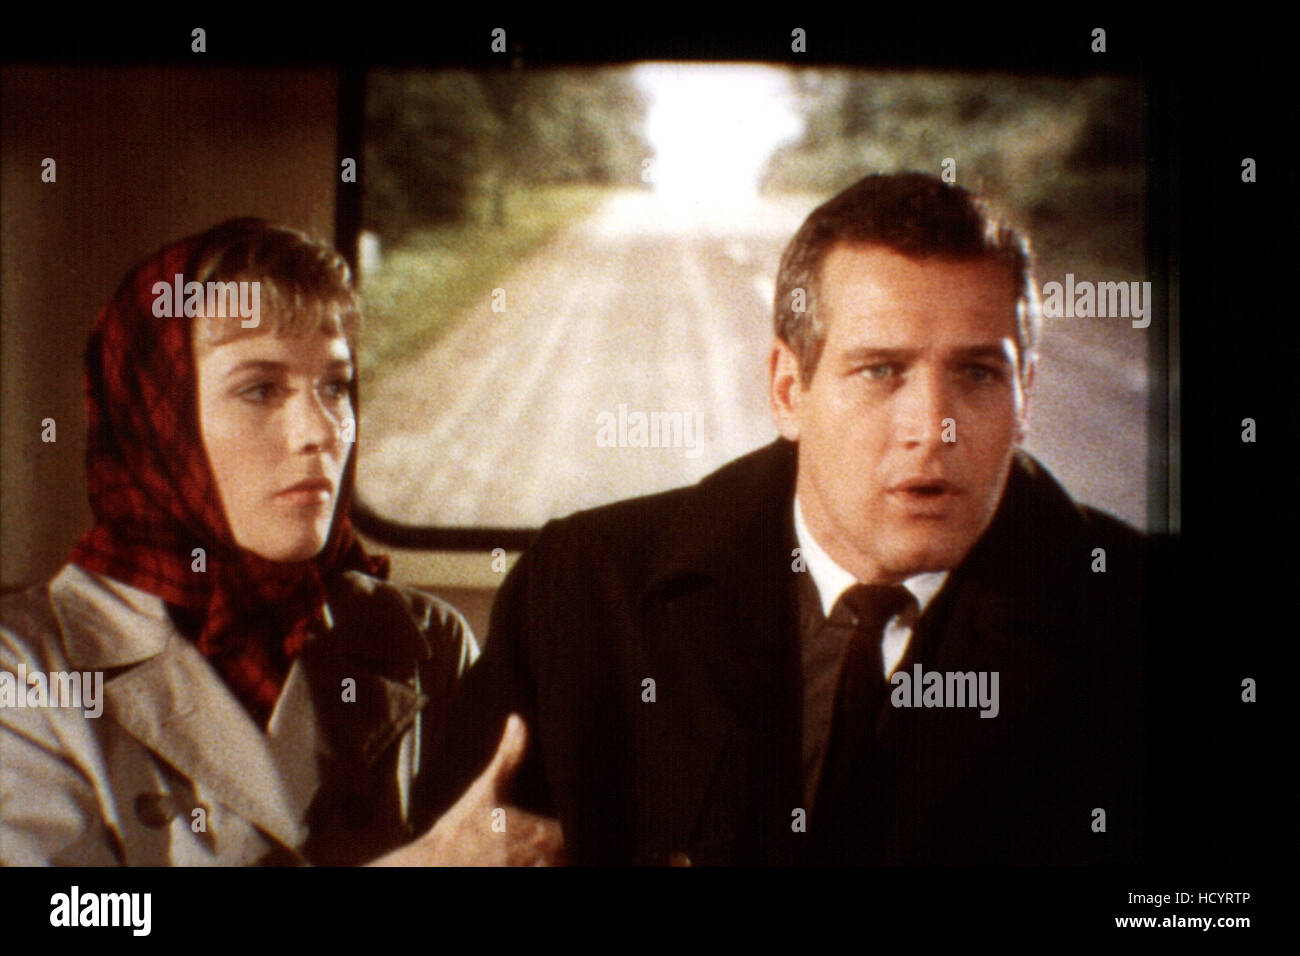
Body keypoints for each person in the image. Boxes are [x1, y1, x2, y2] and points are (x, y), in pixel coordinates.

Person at [430, 172, 1148, 866]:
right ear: (786, 391)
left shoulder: (1149, 621)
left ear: (1024, 394)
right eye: (880, 371)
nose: (933, 429)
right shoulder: (583, 590)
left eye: (977, 375)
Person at [0, 219, 560, 866]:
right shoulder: (27, 669)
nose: (318, 432)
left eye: (334, 386)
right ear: (156, 421)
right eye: (261, 389)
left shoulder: (422, 639)